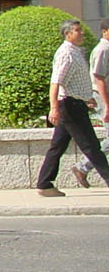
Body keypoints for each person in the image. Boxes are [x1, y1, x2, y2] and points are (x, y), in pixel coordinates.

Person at [36, 19, 109, 196]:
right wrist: (54, 108)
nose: (82, 33)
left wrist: (86, 98)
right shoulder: (66, 54)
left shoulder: (75, 52)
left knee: (58, 146)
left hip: (74, 104)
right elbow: (56, 82)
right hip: (69, 106)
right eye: (77, 30)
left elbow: (74, 82)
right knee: (91, 146)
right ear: (68, 34)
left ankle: (45, 184)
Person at [72, 19, 109, 188]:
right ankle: (82, 167)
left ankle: (83, 167)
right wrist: (106, 105)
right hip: (104, 96)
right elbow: (99, 78)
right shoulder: (103, 50)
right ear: (105, 32)